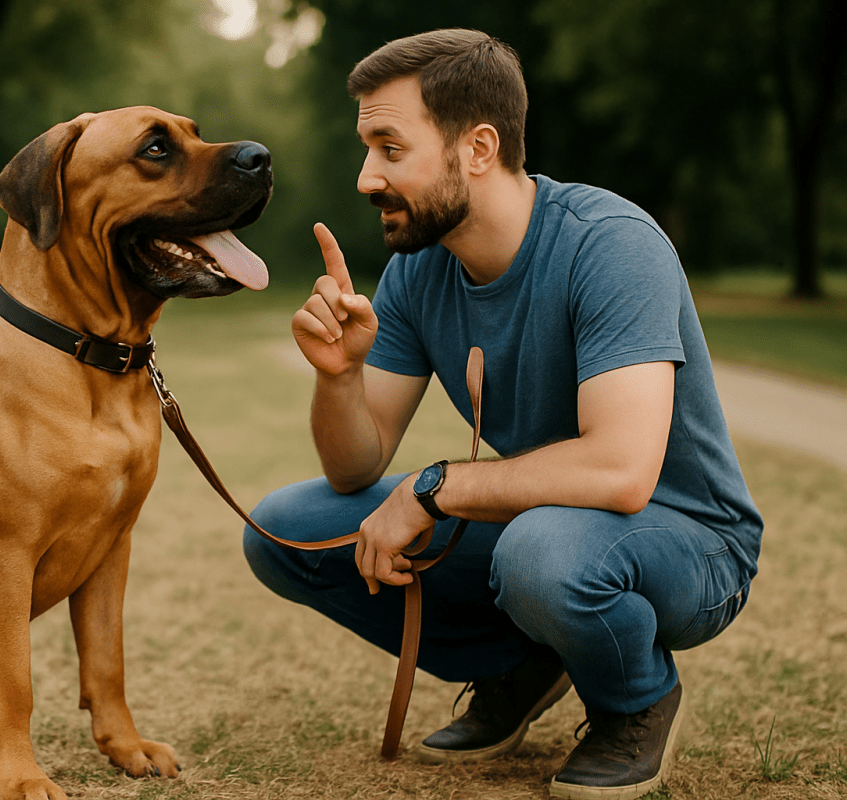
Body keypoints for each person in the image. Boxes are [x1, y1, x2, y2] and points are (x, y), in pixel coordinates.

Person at [243, 28, 763, 800]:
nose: (364, 177)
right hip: (543, 527)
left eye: (390, 146)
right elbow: (354, 467)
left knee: (540, 554)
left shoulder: (610, 245)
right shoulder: (418, 272)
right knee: (285, 529)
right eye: (366, 147)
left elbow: (621, 472)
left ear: (477, 147)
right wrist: (340, 377)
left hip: (691, 541)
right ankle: (519, 667)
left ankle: (636, 702)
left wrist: (430, 488)